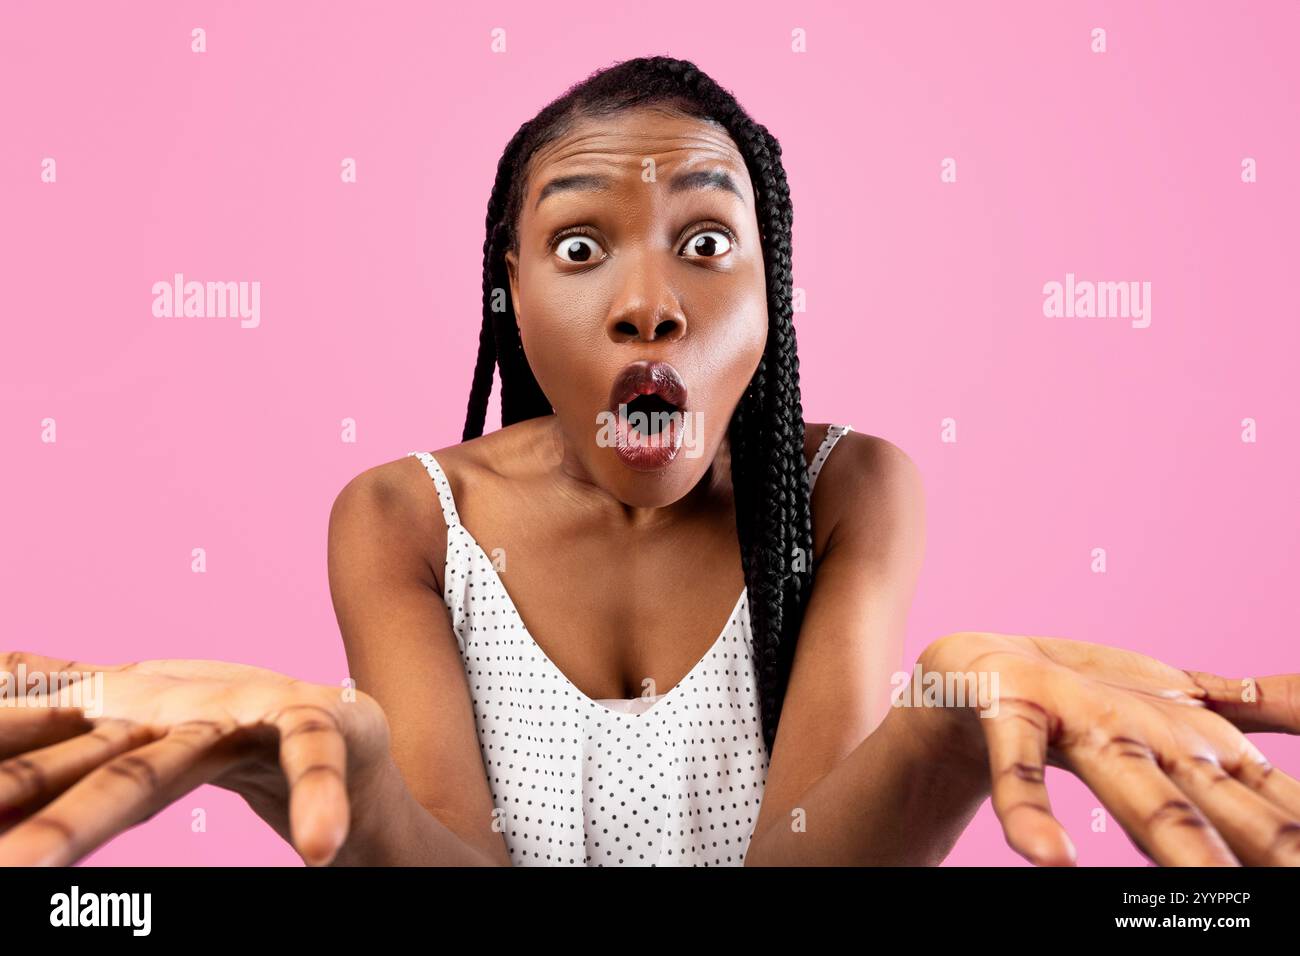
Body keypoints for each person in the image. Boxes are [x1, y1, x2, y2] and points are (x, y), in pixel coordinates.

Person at [1, 56, 1297, 868]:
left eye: (706, 243)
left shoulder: (852, 490)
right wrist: (323, 758)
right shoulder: (403, 516)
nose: (648, 304)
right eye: (579, 249)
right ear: (508, 292)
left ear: (770, 296)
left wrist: (944, 726)